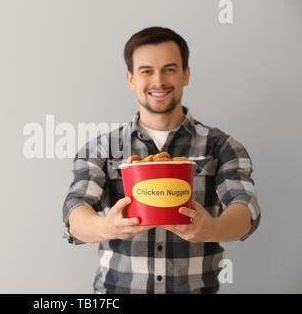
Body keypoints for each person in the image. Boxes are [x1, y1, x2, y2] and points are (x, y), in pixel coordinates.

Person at [62, 26, 261, 294]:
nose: (158, 81)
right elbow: (75, 210)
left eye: (169, 69)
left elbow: (245, 209)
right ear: (131, 79)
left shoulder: (221, 146)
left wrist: (211, 229)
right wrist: (106, 226)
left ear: (185, 74)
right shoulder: (103, 148)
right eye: (146, 71)